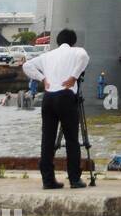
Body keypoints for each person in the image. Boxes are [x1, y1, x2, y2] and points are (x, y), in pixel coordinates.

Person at [24, 28, 90, 190]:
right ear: (73, 41)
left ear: (58, 41)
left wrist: (43, 78)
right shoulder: (77, 51)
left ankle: (48, 180)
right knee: (72, 140)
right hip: (66, 96)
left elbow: (27, 65)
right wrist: (73, 77)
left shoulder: (47, 55)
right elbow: (84, 57)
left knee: (47, 139)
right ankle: (74, 179)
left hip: (48, 98)